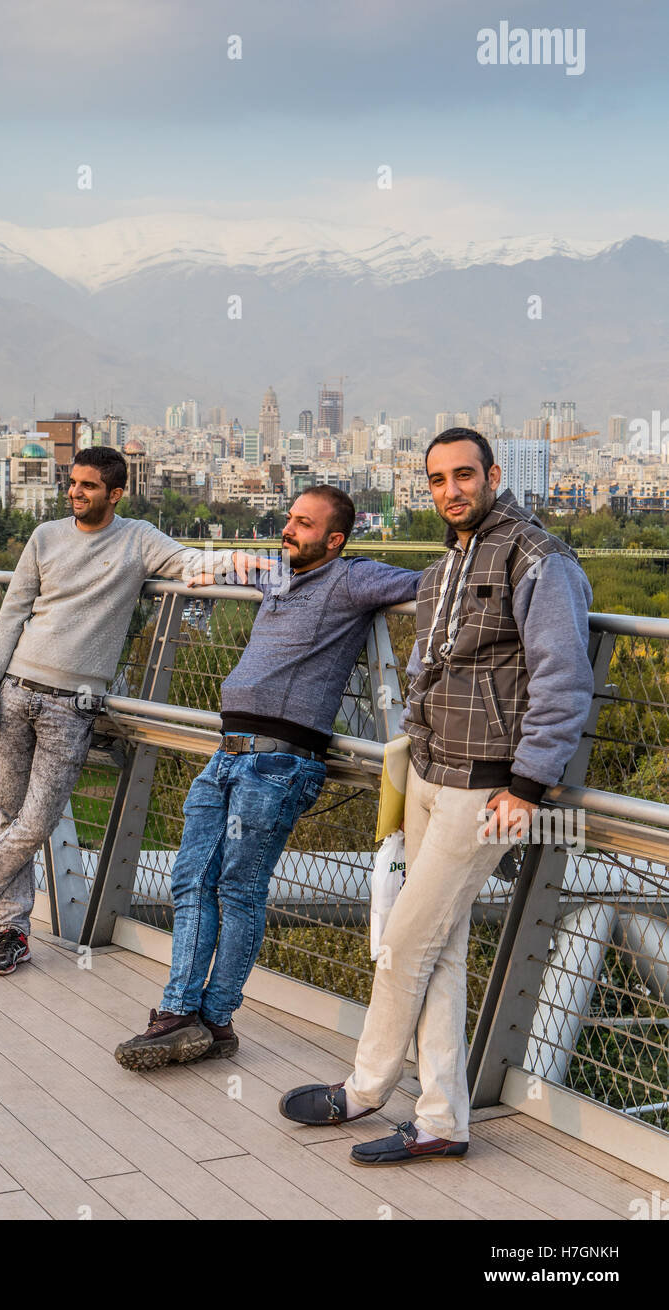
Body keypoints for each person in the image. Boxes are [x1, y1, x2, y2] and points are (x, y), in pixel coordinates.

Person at [279, 429, 593, 1165]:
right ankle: (442, 1120)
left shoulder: (537, 557)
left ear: (491, 475)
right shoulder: (449, 560)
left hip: (486, 790)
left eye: (463, 475)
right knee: (440, 951)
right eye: (437, 480)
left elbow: (562, 677)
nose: (450, 490)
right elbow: (428, 663)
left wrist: (528, 785)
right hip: (427, 773)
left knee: (405, 945)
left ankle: (364, 1087)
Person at [114, 484, 420, 1071]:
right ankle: (185, 1016)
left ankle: (209, 1017)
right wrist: (227, 561)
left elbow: (429, 585)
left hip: (280, 762)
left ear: (334, 540)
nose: (289, 528)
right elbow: (210, 565)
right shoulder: (276, 576)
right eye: (289, 518)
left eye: (304, 524)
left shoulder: (352, 579)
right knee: (188, 880)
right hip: (226, 752)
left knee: (238, 889)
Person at [0, 446, 251, 974]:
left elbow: (191, 564)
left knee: (35, 821)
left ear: (115, 492)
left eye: (87, 485)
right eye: (72, 483)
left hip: (74, 705)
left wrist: (249, 562)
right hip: (14, 690)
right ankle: (14, 932)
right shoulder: (45, 538)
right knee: (11, 815)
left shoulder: (138, 540)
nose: (74, 493)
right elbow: (12, 611)